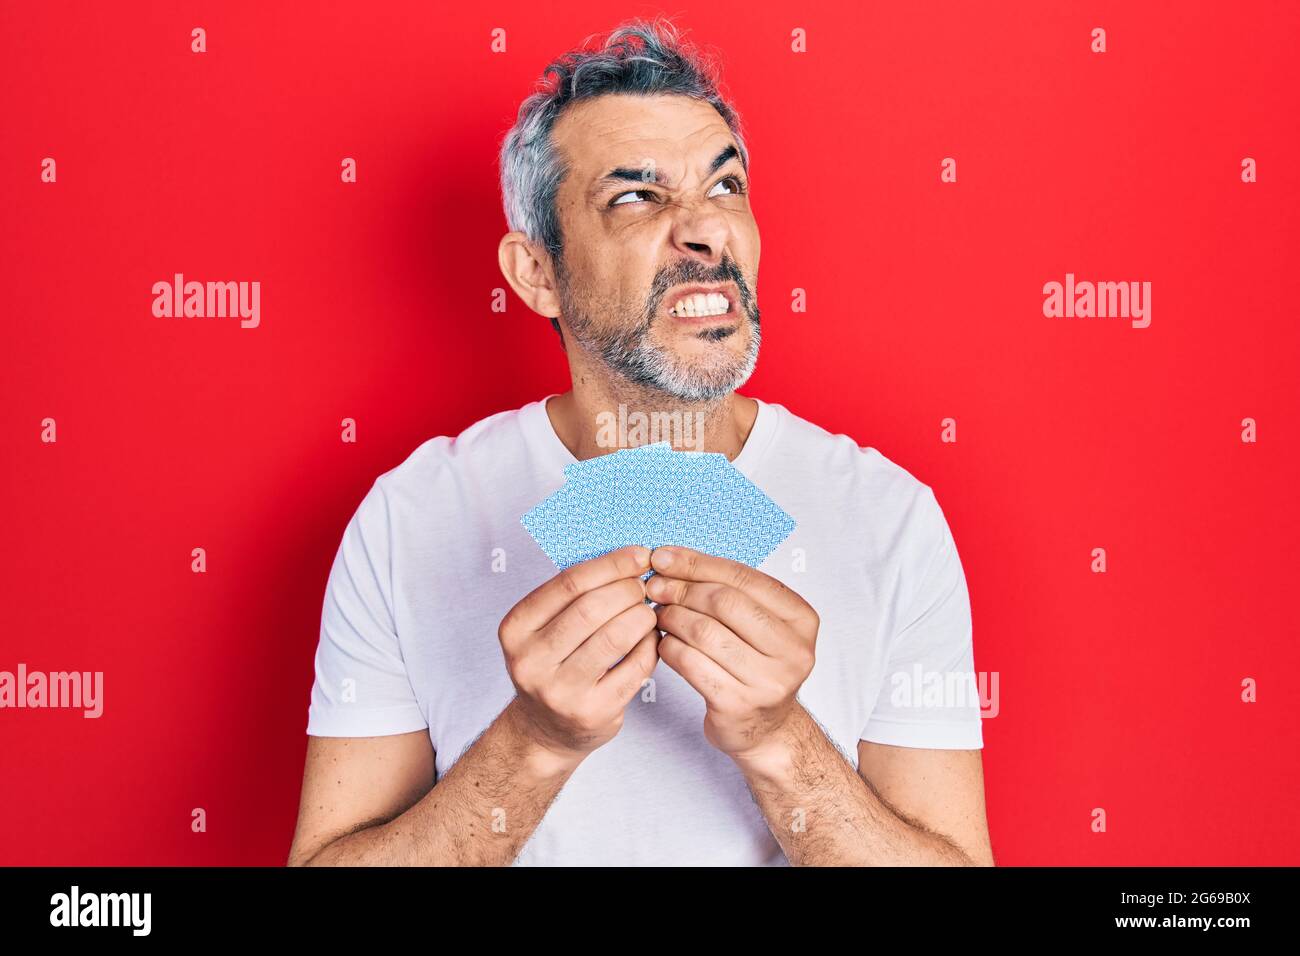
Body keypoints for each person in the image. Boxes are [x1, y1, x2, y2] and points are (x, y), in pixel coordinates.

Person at [287, 18, 993, 866]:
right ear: (536, 273)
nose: (707, 231)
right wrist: (536, 742)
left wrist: (778, 741)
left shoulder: (891, 520)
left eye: (724, 187)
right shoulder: (412, 517)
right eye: (637, 197)